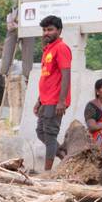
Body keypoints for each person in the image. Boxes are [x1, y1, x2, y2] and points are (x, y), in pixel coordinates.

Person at [34, 15, 71, 171]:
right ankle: (64, 155)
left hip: (55, 101)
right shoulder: (48, 49)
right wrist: (39, 100)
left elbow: (66, 75)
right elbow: (46, 77)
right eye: (44, 30)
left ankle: (47, 172)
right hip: (45, 100)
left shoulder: (61, 48)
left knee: (49, 135)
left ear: (59, 30)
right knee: (40, 132)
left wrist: (61, 101)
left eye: (50, 29)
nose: (46, 33)